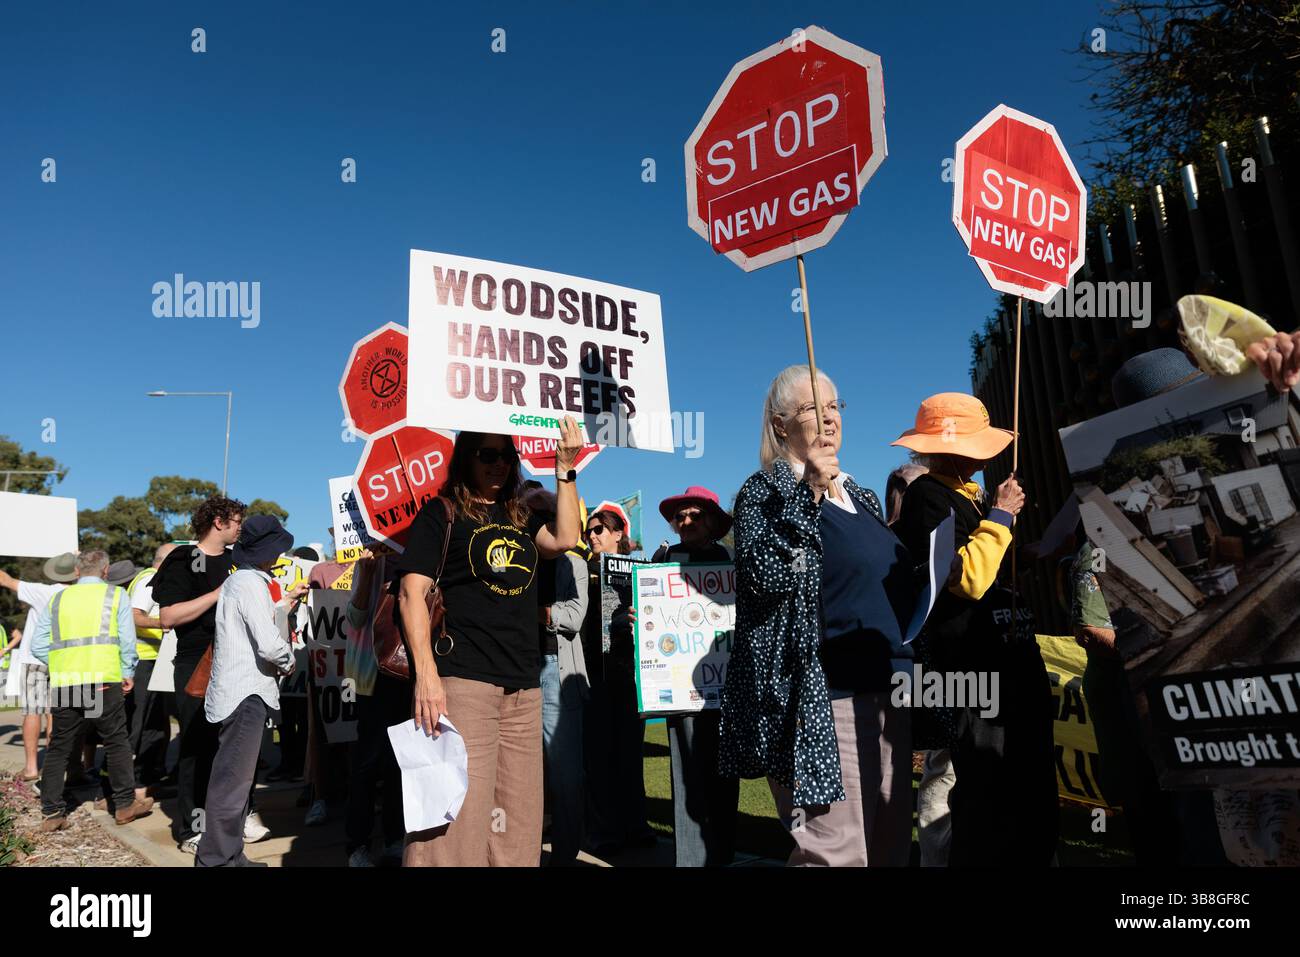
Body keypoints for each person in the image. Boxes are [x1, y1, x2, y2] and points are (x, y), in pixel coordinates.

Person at [721, 365, 918, 867]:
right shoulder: (763, 492)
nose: (828, 417)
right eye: (811, 407)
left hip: (889, 688)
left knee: (890, 842)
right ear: (781, 425)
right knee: (836, 851)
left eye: (834, 405)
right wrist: (806, 494)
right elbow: (765, 579)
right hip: (824, 698)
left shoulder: (864, 495)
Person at [398, 421, 583, 867]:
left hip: (523, 684)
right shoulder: (441, 513)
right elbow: (410, 596)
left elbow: (566, 538)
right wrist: (426, 675)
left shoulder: (521, 516)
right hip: (462, 682)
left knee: (517, 819)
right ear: (466, 459)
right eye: (487, 455)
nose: (498, 464)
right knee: (454, 818)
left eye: (506, 456)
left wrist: (565, 469)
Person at [891, 391, 1058, 866]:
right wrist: (1002, 516)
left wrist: (1022, 555)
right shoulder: (928, 496)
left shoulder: (972, 497)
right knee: (990, 794)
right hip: (978, 672)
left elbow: (986, 570)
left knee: (1030, 788)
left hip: (1015, 660)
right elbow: (963, 578)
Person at [196, 517, 300, 867]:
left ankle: (228, 854)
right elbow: (269, 644)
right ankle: (216, 859)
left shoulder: (241, 581)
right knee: (233, 782)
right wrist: (289, 660)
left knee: (234, 779)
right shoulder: (249, 582)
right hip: (246, 693)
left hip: (240, 692)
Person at [29, 550, 154, 830]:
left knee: (60, 745)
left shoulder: (58, 599)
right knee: (115, 741)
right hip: (103, 680)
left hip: (68, 680)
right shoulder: (115, 596)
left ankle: (51, 812)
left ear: (76, 571)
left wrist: (63, 663)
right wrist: (128, 671)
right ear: (106, 570)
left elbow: (38, 645)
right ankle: (123, 805)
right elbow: (126, 638)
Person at [650, 487, 739, 867]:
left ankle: (721, 858)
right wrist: (641, 620)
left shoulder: (732, 561)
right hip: (681, 690)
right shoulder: (664, 559)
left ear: (713, 522)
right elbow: (642, 611)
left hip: (724, 692)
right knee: (687, 784)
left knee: (724, 782)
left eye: (695, 515)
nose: (686, 522)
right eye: (680, 516)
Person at [151, 496, 245, 852]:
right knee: (196, 744)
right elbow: (168, 617)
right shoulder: (182, 559)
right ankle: (192, 828)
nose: (240, 527)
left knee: (231, 747)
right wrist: (219, 594)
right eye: (236, 520)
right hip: (197, 662)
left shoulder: (240, 561)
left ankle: (230, 822)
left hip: (236, 661)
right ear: (217, 522)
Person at [581, 506, 655, 856]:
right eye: (589, 531)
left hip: (629, 678)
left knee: (629, 759)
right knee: (598, 760)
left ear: (618, 534)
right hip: (593, 676)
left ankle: (636, 830)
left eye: (599, 530)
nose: (592, 535)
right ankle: (604, 835)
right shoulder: (579, 570)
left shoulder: (641, 573)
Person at [524, 483, 590, 866]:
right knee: (520, 773)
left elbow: (573, 617)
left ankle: (565, 856)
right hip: (514, 671)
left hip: (555, 672)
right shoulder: (510, 560)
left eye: (545, 517)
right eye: (528, 517)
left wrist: (534, 611)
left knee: (566, 774)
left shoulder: (573, 563)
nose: (538, 525)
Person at [342, 547, 407, 867]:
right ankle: (358, 844)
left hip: (407, 675)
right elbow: (354, 618)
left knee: (401, 761)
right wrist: (367, 574)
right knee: (367, 763)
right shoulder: (368, 562)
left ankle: (396, 837)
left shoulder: (420, 555)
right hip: (370, 676)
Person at [0, 553, 77, 783]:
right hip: (65, 659)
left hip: (35, 659)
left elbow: (4, 580)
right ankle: (56, 766)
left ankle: (31, 767)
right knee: (56, 712)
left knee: (32, 711)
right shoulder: (79, 595)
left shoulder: (41, 591)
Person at [126, 543, 178, 793]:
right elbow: (135, 615)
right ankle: (133, 780)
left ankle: (151, 773)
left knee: (157, 719)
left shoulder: (152, 578)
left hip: (155, 659)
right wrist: (164, 623)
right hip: (145, 660)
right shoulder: (150, 579)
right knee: (143, 721)